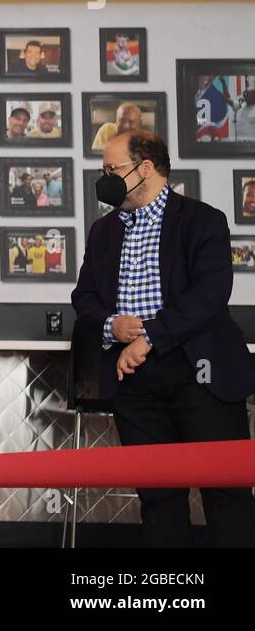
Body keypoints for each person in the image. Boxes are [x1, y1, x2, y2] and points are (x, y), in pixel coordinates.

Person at [72, 130, 255, 547]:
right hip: (133, 383)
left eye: (112, 169)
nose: (106, 178)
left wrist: (150, 337)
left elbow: (209, 295)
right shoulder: (103, 231)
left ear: (146, 169)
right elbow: (83, 296)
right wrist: (111, 325)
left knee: (226, 494)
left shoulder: (202, 220)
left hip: (200, 373)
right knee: (157, 498)